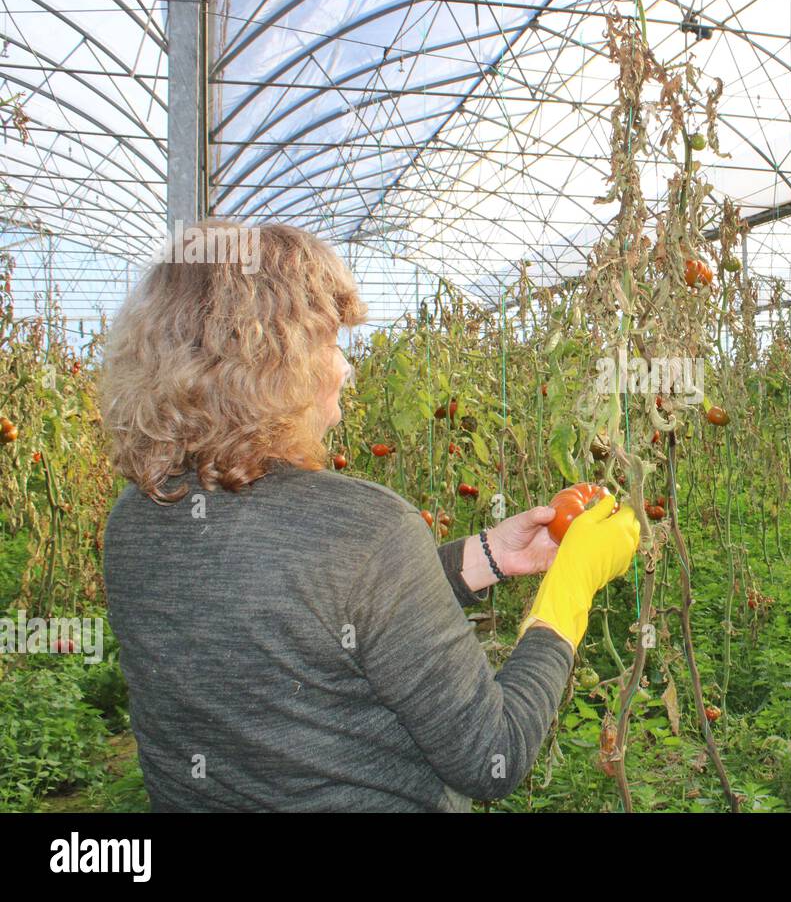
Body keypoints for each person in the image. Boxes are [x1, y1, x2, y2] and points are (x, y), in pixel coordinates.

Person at [99, 220, 639, 811]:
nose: (345, 368)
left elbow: (311, 609)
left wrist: (486, 556)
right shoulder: (366, 527)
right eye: (332, 342)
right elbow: (493, 757)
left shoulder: (135, 518)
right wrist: (570, 591)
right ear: (283, 362)